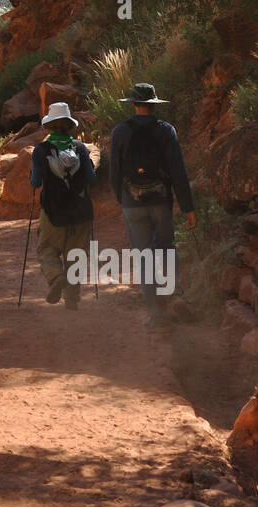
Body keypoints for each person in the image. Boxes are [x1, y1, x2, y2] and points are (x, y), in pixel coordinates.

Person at [109, 82, 197, 331]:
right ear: (153, 104)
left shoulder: (120, 132)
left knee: (144, 257)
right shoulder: (166, 131)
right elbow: (178, 172)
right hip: (161, 201)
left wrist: (122, 200)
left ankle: (158, 317)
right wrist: (188, 207)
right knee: (167, 248)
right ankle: (175, 294)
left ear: (134, 104)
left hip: (132, 202)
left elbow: (114, 173)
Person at [29, 101, 97, 310]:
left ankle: (56, 276)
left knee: (47, 248)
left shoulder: (41, 150)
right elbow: (91, 178)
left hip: (52, 210)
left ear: (49, 126)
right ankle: (72, 299)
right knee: (76, 253)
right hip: (80, 210)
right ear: (69, 125)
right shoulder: (80, 148)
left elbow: (35, 182)